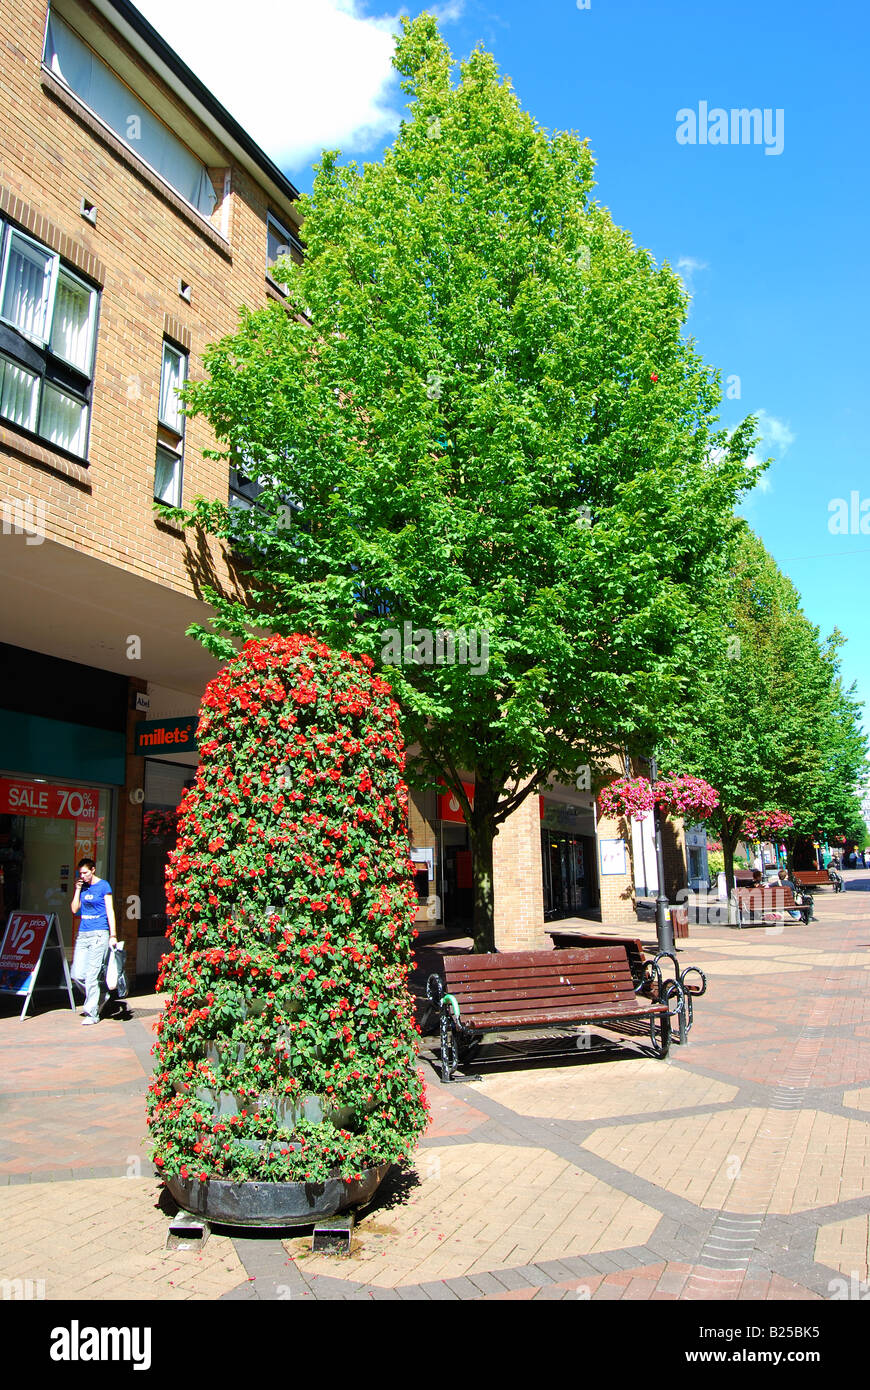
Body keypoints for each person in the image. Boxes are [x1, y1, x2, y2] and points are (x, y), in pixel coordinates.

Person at [70, 859, 117, 1026]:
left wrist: (113, 935)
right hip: (83, 933)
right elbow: (74, 909)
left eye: (85, 873)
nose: (83, 876)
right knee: (76, 974)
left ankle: (92, 1013)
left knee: (91, 975)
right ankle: (101, 994)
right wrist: (77, 890)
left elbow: (110, 910)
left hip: (99, 933)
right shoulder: (82, 887)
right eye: (80, 873)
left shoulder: (103, 886)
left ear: (93, 870)